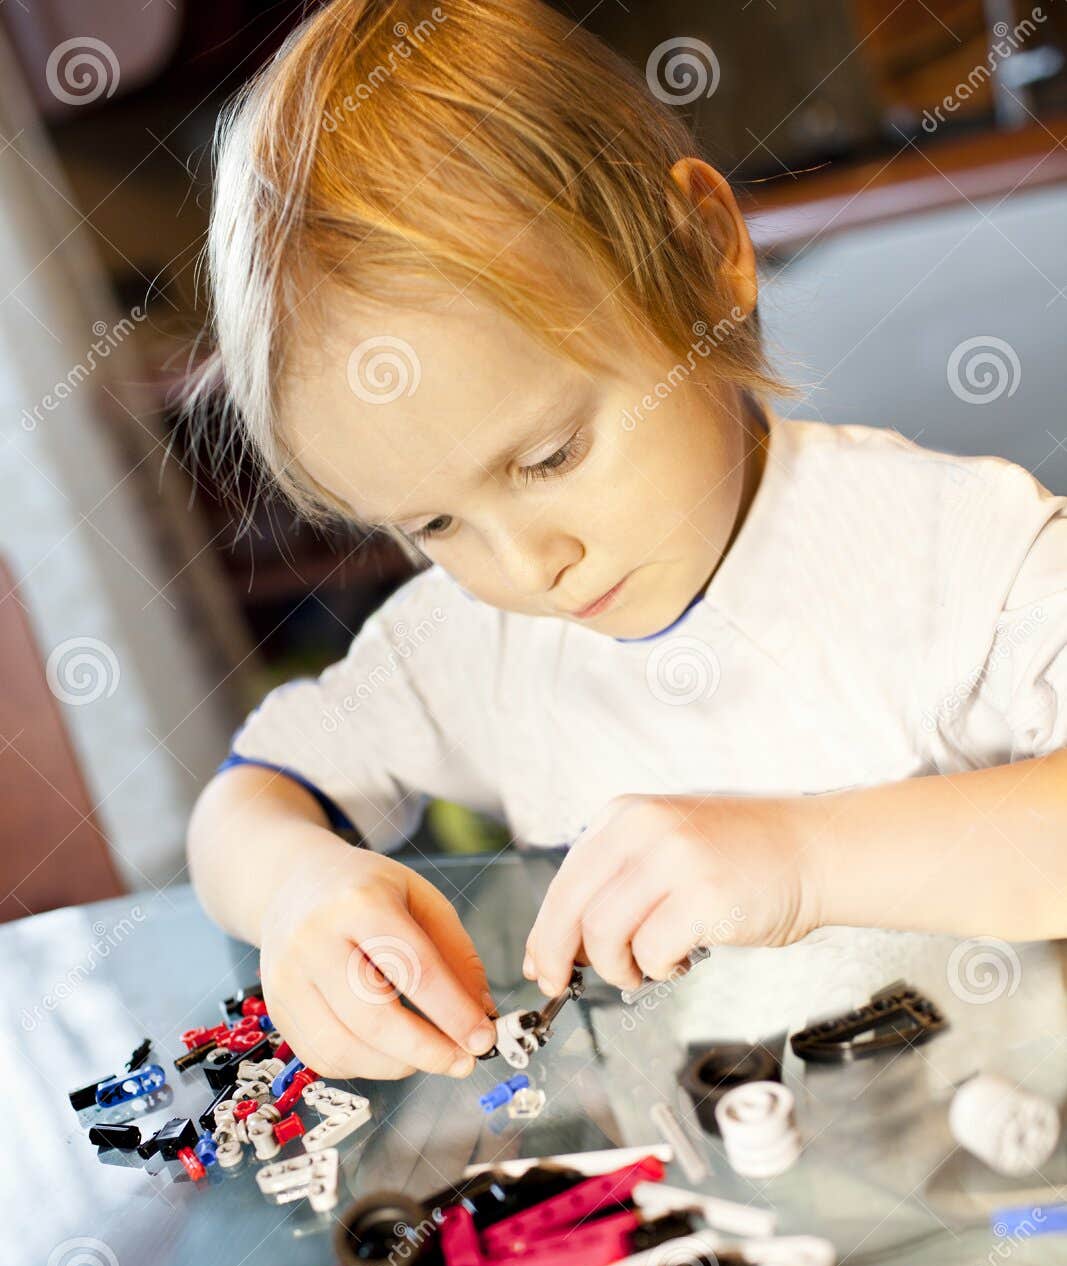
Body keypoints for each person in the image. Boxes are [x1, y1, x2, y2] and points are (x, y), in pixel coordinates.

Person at [187, 0, 1067, 1082]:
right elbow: (251, 793)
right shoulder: (465, 643)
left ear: (702, 254)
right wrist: (296, 888)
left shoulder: (955, 550)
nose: (524, 567)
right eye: (430, 523)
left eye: (551, 455)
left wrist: (800, 857)